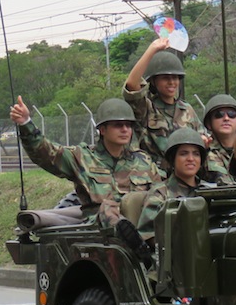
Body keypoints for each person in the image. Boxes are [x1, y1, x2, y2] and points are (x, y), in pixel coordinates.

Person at [9, 95, 161, 246]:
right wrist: (25, 123)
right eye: (117, 125)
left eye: (128, 125)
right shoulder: (83, 158)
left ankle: (143, 245)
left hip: (142, 233)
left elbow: (159, 195)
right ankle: (131, 240)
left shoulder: (143, 161)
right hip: (99, 236)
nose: (125, 130)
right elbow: (47, 153)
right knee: (107, 208)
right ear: (102, 129)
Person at [135, 127, 233, 243]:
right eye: (183, 154)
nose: (191, 159)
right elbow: (148, 235)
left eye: (196, 154)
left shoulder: (209, 191)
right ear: (173, 159)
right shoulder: (160, 194)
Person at [123, 37, 206, 172]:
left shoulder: (187, 110)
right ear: (154, 81)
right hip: (154, 175)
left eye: (175, 78)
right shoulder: (147, 108)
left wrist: (202, 141)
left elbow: (201, 138)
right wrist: (152, 49)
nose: (172, 82)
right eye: (165, 78)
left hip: (184, 174)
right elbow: (132, 84)